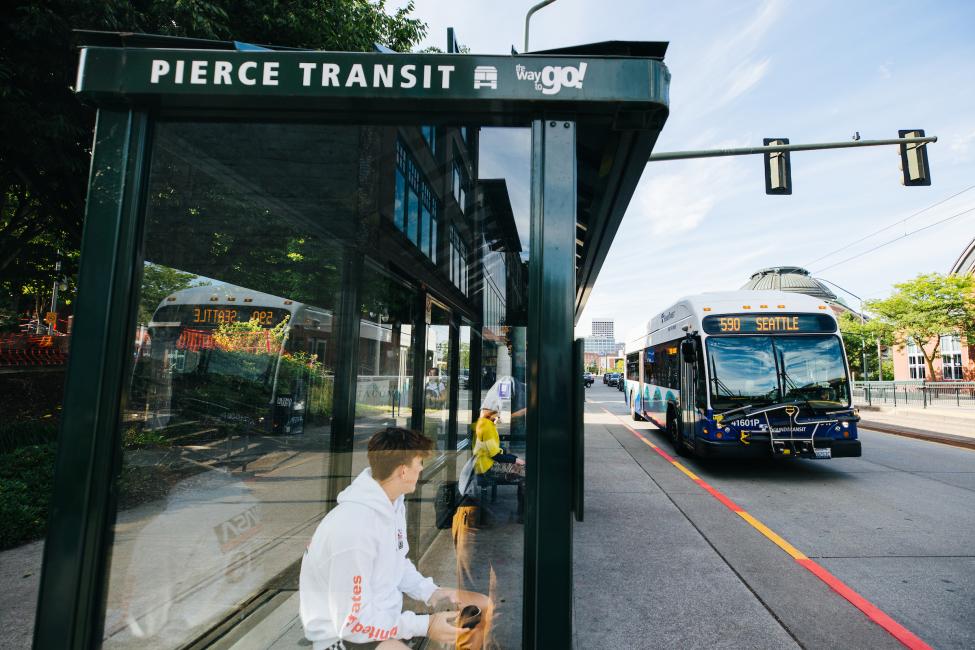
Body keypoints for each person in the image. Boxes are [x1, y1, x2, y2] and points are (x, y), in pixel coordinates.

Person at [300, 427, 490, 649]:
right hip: (342, 637)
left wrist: (434, 592)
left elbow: (395, 562)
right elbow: (351, 624)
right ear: (403, 471)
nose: (421, 469)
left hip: (378, 620)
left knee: (482, 606)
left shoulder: (392, 503)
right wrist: (425, 625)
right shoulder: (354, 529)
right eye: (419, 462)